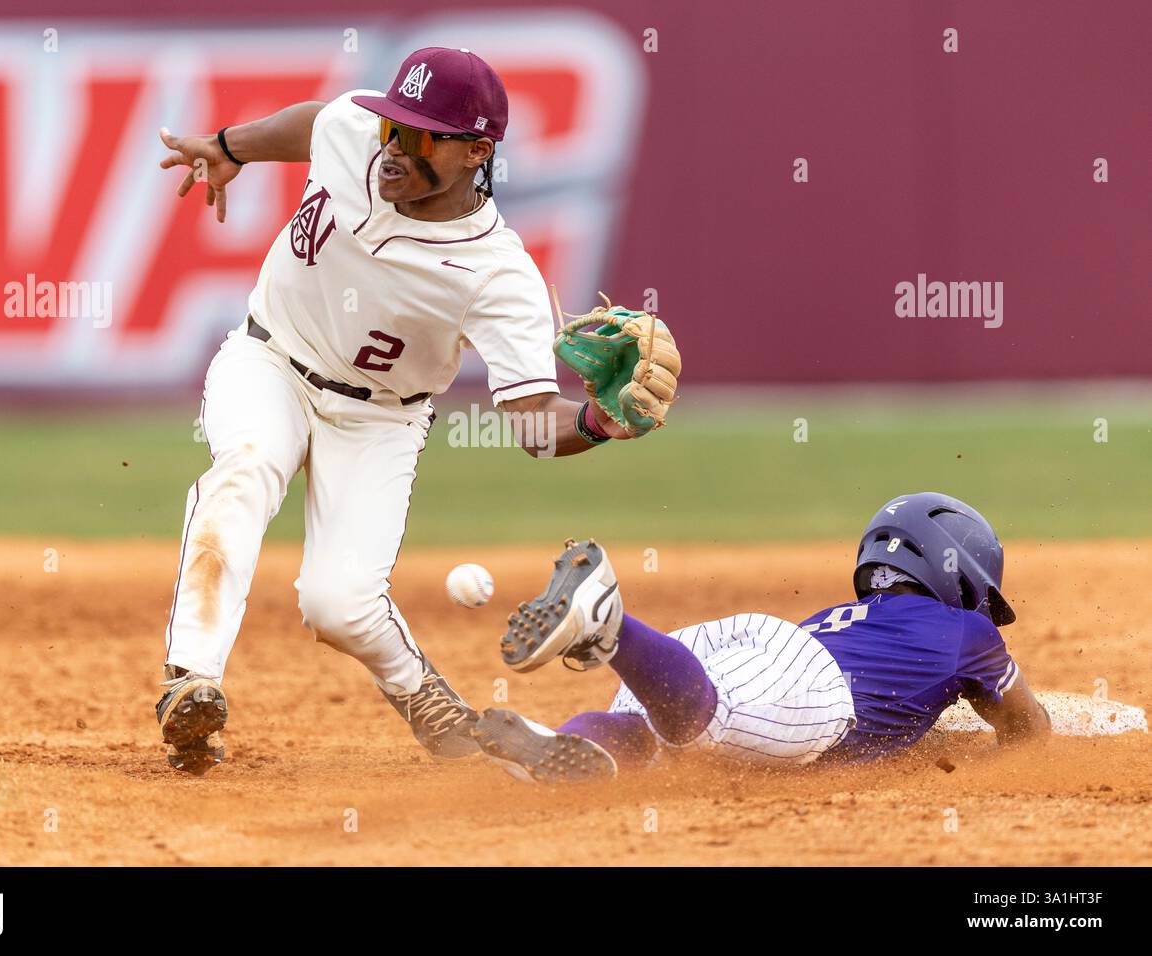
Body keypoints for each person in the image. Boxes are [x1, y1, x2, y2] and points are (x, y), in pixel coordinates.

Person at [151, 48, 671, 774]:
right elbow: (317, 124)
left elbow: (529, 424)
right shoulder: (359, 134)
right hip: (267, 357)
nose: (393, 148)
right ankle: (192, 681)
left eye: (420, 137)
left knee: (337, 604)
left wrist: (596, 423)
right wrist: (229, 146)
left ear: (476, 153)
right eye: (394, 126)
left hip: (380, 418)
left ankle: (426, 698)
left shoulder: (497, 276)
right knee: (246, 467)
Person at [474, 492, 1052, 782]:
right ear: (959, 572)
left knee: (653, 737)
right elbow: (1029, 729)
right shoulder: (967, 630)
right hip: (814, 687)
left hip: (755, 642)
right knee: (709, 718)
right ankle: (611, 625)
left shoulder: (844, 616)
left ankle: (560, 743)